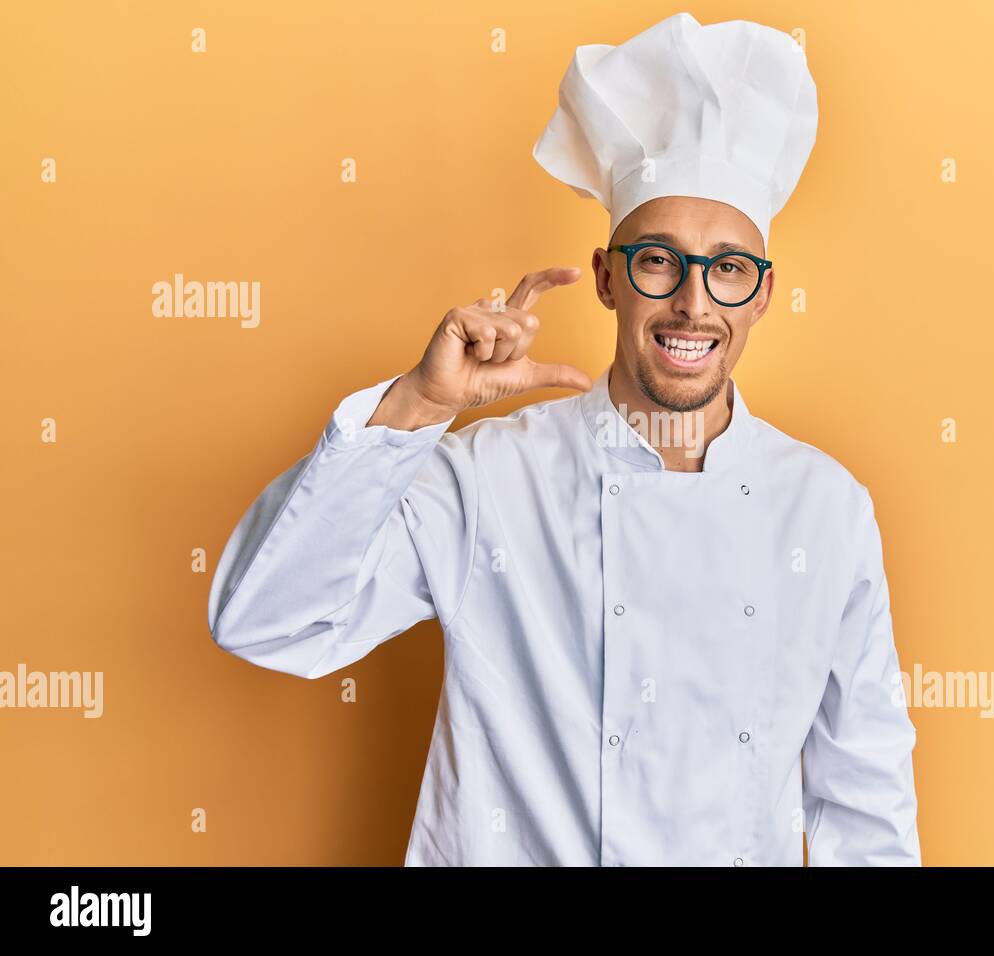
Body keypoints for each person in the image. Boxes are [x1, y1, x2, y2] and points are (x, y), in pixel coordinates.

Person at [207, 11, 920, 867]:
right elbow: (265, 621)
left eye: (729, 267)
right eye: (660, 260)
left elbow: (865, 799)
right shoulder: (486, 478)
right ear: (608, 278)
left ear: (761, 295)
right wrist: (417, 407)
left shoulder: (827, 510)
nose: (695, 304)